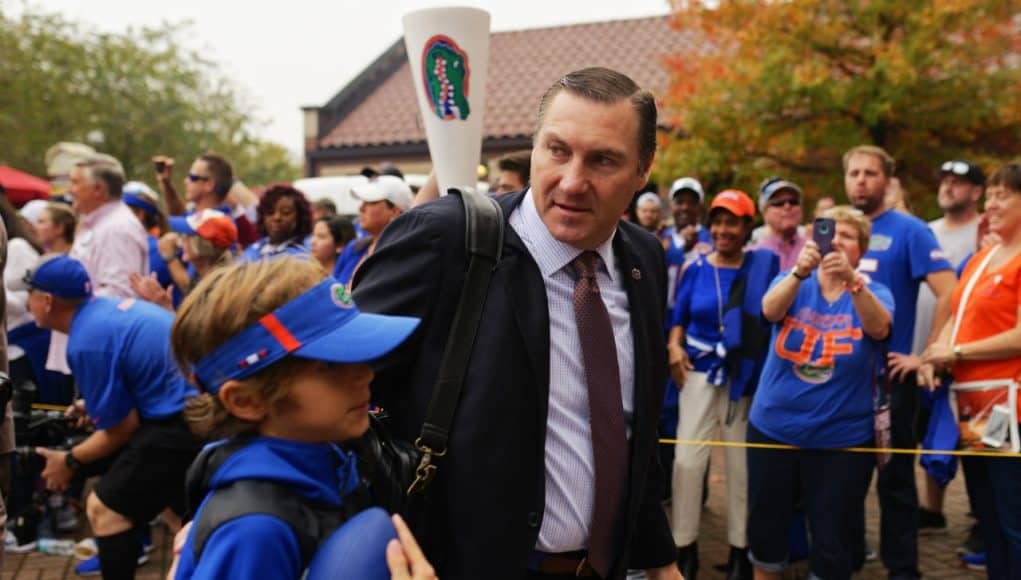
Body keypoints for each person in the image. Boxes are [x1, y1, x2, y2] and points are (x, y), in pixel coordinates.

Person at [353, 67, 681, 580]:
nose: (573, 181)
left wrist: (659, 560)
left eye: (603, 160)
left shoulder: (644, 259)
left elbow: (633, 430)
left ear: (642, 170)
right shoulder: (448, 242)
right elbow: (326, 390)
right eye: (557, 150)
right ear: (533, 147)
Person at [168, 258, 433, 579]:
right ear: (246, 401)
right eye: (329, 366)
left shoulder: (324, 457)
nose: (365, 373)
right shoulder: (256, 529)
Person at [24, 255, 200, 579]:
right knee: (172, 510)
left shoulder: (86, 342)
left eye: (30, 293)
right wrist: (93, 407)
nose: (27, 302)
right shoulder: (103, 311)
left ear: (47, 301)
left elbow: (121, 428)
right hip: (189, 413)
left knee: (104, 508)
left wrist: (69, 461)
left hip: (183, 423)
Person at [749, 206, 893, 580]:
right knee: (766, 532)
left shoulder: (874, 291)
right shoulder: (793, 278)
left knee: (833, 539)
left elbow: (879, 329)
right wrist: (799, 272)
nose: (837, 242)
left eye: (848, 237)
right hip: (774, 430)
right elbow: (768, 310)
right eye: (831, 233)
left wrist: (852, 282)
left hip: (840, 440)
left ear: (861, 250)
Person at [843, 145, 955, 580]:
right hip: (842, 383)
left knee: (895, 484)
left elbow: (950, 290)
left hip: (891, 381)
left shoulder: (910, 231)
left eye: (870, 173)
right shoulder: (835, 229)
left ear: (887, 181)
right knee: (845, 482)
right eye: (854, 173)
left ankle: (903, 569)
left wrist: (926, 353)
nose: (861, 181)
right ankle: (845, 561)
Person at [668, 189, 778, 580]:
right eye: (717, 221)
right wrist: (673, 346)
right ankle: (684, 546)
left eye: (732, 221)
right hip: (698, 371)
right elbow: (677, 316)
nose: (722, 229)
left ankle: (739, 551)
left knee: (740, 467)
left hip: (742, 376)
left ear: (748, 226)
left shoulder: (762, 267)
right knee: (686, 462)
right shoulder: (695, 267)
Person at [919, 162, 1021, 580]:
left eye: (1004, 195)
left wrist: (956, 351)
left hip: (1009, 408)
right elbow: (954, 313)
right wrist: (933, 355)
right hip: (971, 406)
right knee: (989, 514)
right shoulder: (982, 258)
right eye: (991, 194)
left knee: (1013, 516)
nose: (992, 204)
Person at [911, 159, 985, 534]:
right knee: (929, 432)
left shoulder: (986, 231)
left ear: (977, 192)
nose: (949, 187)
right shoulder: (926, 231)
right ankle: (932, 509)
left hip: (972, 355)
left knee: (977, 438)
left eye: (959, 182)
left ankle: (980, 514)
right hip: (929, 347)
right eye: (946, 181)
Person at [68, 154, 149, 298]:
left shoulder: (118, 228)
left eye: (75, 183)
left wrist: (70, 308)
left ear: (98, 189)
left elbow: (119, 294)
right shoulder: (101, 223)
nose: (69, 190)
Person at [132, 209, 238, 310]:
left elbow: (192, 328)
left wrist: (165, 306)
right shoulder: (204, 274)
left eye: (187, 235)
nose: (180, 239)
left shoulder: (218, 289)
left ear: (202, 246)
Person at [335, 176, 411, 286]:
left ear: (394, 211)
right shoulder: (354, 248)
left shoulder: (403, 255)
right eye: (363, 202)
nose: (361, 208)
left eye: (370, 202)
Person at [240, 184, 313, 262]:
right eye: (270, 212)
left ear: (300, 216)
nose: (277, 217)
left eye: (285, 212)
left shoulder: (308, 250)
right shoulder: (252, 250)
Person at [750, 177, 806, 271]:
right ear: (764, 212)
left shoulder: (817, 250)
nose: (787, 206)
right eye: (778, 203)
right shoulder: (751, 255)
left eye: (793, 202)